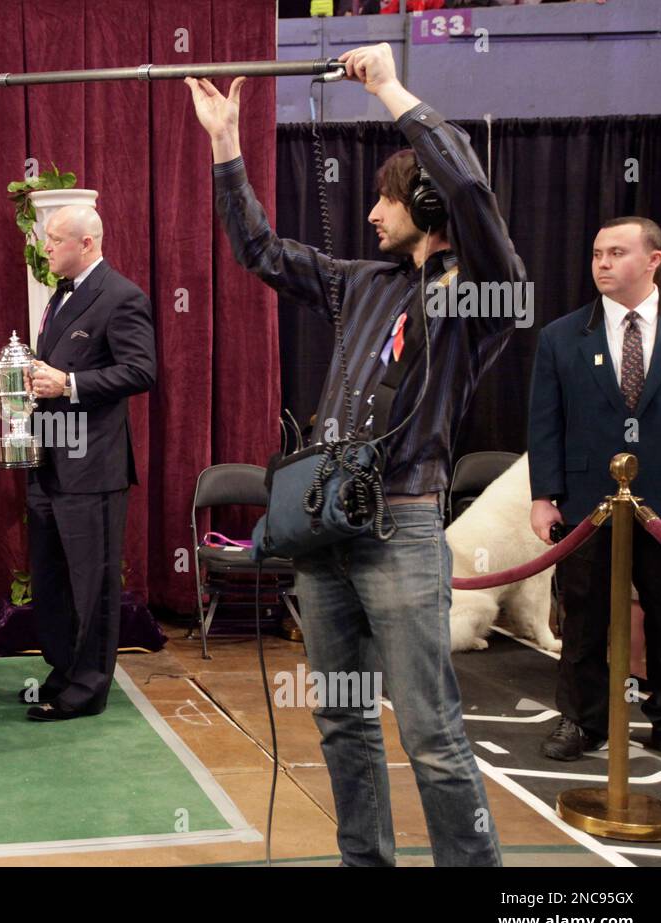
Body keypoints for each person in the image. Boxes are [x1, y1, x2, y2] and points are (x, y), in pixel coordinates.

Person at [187, 42, 525, 865]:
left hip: (402, 534)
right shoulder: (361, 283)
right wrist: (226, 147)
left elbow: (473, 191)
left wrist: (389, 88)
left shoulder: (481, 294)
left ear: (426, 205)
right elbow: (261, 252)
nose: (373, 215)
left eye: (387, 200)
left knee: (431, 731)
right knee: (342, 718)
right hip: (325, 539)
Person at [0, 205, 157, 721]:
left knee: (93, 583)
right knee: (53, 580)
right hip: (49, 461)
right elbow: (46, 375)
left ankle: (88, 689)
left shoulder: (122, 297)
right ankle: (62, 673)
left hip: (93, 466)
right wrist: (11, 381)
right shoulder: (60, 298)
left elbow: (141, 371)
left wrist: (70, 383)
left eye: (55, 240)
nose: (46, 248)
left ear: (86, 243)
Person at [529, 217, 661, 761]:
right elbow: (545, 424)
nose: (602, 263)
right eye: (597, 253)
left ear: (653, 260)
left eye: (617, 252)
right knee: (585, 616)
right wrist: (544, 495)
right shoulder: (561, 335)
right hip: (588, 502)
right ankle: (582, 719)